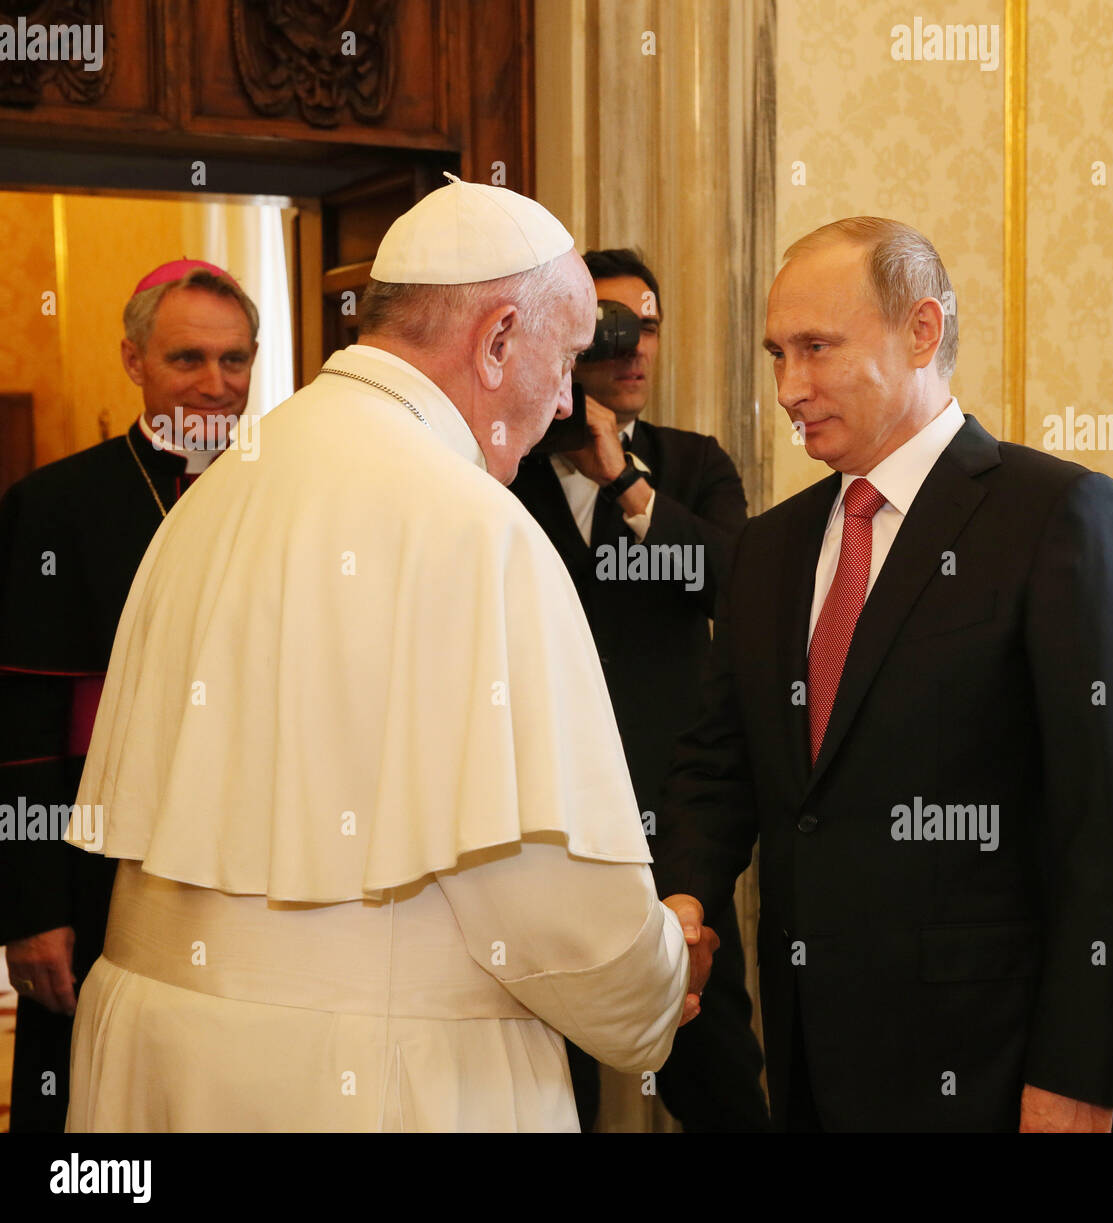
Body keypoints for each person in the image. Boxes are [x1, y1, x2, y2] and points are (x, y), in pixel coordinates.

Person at [62, 175, 702, 1133]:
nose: (567, 401)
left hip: (160, 1058)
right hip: (372, 1078)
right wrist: (657, 976)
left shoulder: (220, 487)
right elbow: (546, 895)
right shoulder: (475, 526)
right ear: (495, 341)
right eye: (564, 360)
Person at [653, 217, 1113, 1132]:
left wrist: (1078, 1077)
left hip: (994, 1071)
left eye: (816, 348)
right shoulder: (770, 550)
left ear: (922, 331)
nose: (788, 387)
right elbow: (719, 764)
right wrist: (686, 904)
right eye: (779, 353)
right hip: (811, 1060)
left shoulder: (1055, 516)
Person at [510, 248, 767, 1131]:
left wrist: (626, 480)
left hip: (670, 808)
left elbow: (734, 585)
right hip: (540, 813)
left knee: (715, 1056)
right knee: (550, 1059)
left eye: (647, 326)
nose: (634, 349)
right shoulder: (504, 470)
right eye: (609, 328)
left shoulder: (692, 465)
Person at [0, 259, 259, 1131]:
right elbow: (22, 733)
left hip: (253, 860)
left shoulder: (288, 492)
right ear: (133, 359)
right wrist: (30, 908)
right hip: (94, 864)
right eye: (188, 358)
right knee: (79, 1090)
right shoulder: (55, 506)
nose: (216, 385)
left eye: (236, 360)